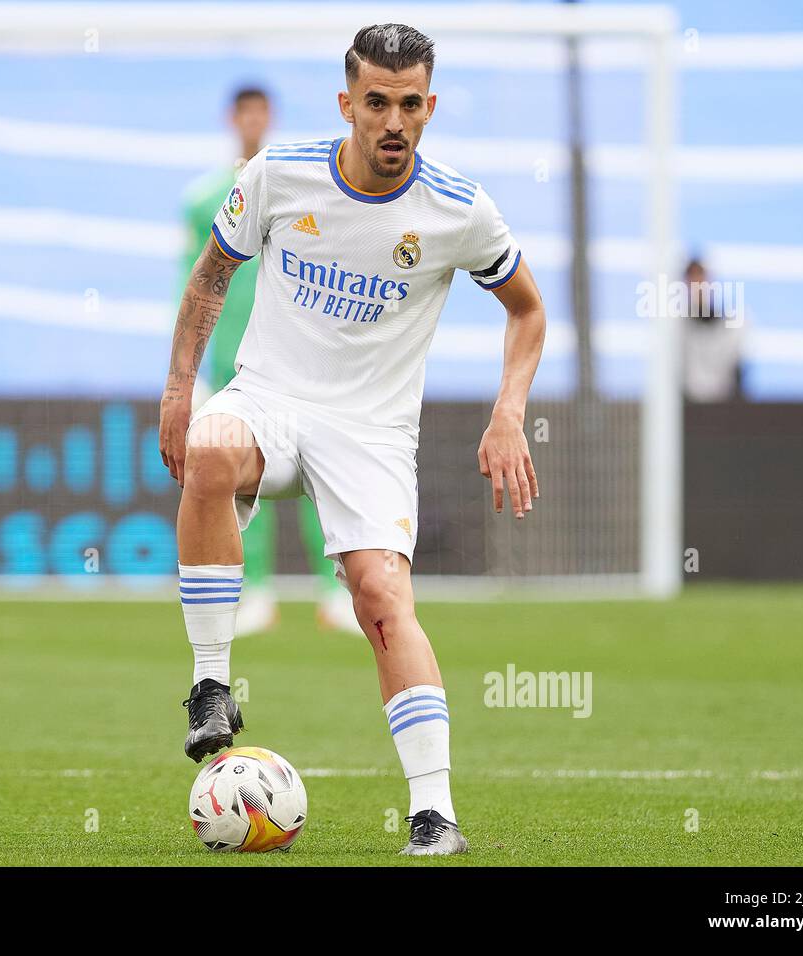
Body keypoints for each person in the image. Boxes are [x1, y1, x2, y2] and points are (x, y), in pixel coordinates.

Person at [159, 24, 546, 855]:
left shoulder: (459, 210)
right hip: (268, 394)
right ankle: (210, 686)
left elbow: (527, 308)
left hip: (370, 430)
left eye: (411, 104)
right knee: (212, 450)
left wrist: (508, 408)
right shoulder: (277, 176)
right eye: (377, 102)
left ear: (430, 106)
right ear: (348, 104)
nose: (394, 121)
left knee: (381, 600)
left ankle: (434, 813)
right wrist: (179, 391)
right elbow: (211, 277)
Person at [180, 87, 360, 636]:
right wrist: (186, 371)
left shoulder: (296, 190)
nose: (254, 121)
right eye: (245, 113)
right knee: (235, 477)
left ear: (269, 118)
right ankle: (252, 589)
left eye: (262, 112)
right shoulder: (203, 199)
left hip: (295, 358)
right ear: (233, 119)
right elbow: (194, 280)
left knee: (316, 472)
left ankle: (336, 592)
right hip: (232, 362)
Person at [681, 257, 746, 402]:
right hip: (688, 406)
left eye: (701, 279)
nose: (698, 285)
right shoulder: (677, 328)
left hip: (725, 407)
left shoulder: (732, 325)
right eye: (693, 280)